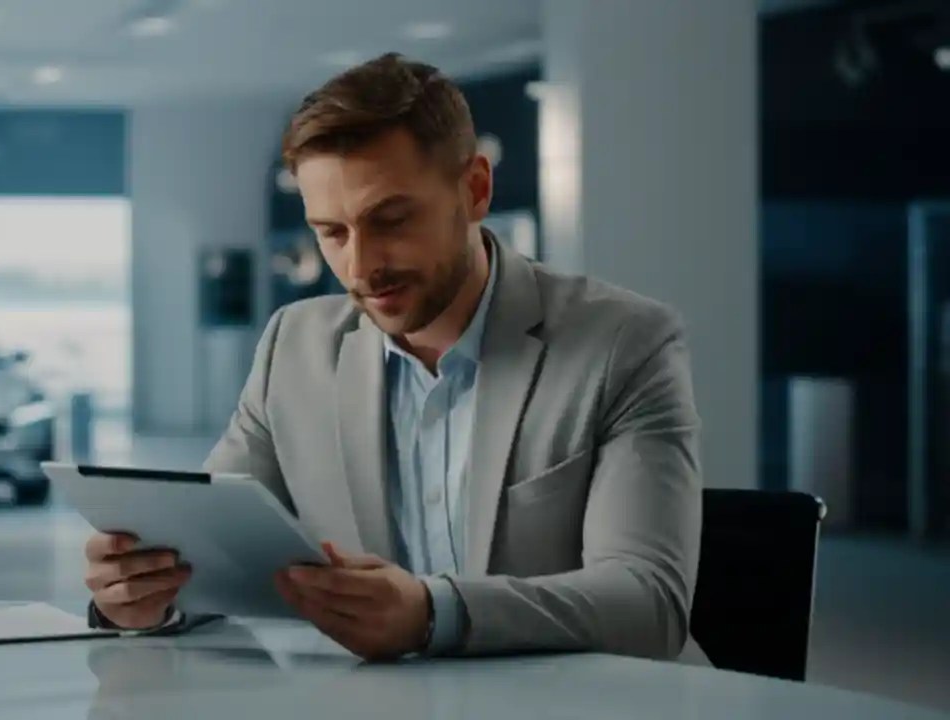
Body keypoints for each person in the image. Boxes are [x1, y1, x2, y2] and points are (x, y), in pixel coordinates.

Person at [84, 53, 705, 662]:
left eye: (392, 219)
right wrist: (147, 596)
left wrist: (435, 614)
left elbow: (647, 604)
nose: (361, 266)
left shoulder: (623, 341)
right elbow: (215, 554)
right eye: (332, 232)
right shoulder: (293, 346)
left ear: (476, 189)